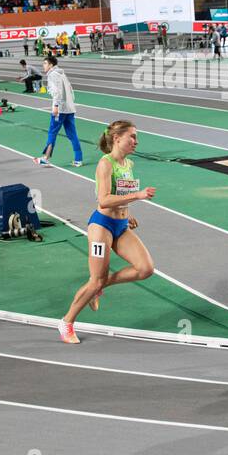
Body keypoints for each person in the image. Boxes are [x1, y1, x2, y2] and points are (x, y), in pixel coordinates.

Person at [58, 120, 157, 344]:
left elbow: (119, 193)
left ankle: (101, 287)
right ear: (117, 138)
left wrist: (126, 211)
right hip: (101, 226)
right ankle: (66, 322)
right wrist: (138, 196)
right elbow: (103, 200)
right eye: (132, 136)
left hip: (121, 226)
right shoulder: (106, 164)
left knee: (145, 268)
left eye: (136, 136)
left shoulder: (128, 164)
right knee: (95, 280)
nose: (136, 141)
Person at [35, 55, 83, 168]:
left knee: (52, 132)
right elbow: (70, 90)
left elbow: (57, 92)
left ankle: (46, 158)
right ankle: (78, 159)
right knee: (72, 135)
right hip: (70, 108)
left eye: (45, 63)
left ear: (51, 65)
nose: (43, 65)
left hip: (60, 109)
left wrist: (56, 106)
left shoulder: (52, 75)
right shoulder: (62, 73)